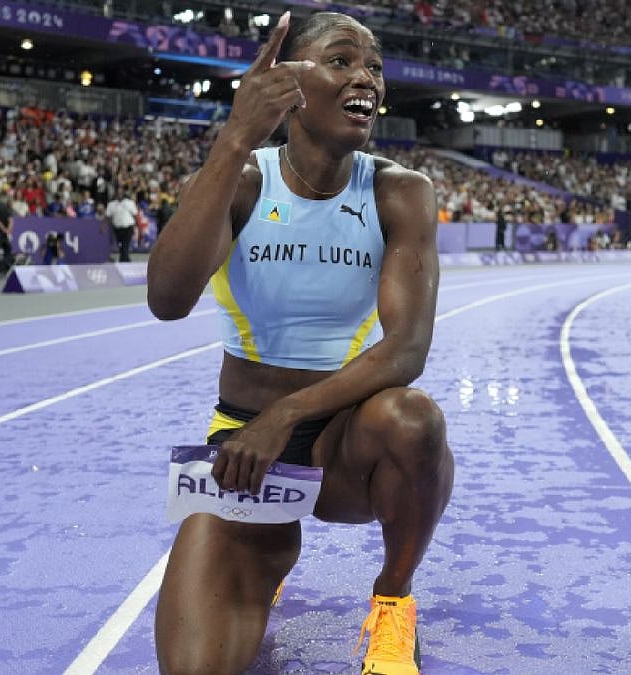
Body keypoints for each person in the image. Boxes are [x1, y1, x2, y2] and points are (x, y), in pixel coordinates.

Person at [147, 11, 454, 675]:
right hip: (244, 451)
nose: (365, 77)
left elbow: (405, 351)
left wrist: (286, 413)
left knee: (414, 418)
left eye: (374, 66)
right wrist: (233, 140)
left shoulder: (401, 192)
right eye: (342, 60)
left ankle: (393, 602)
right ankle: (262, 554)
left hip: (344, 444)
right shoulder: (245, 182)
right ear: (288, 81)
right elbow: (167, 301)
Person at [105, 190, 137, 262]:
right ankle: (126, 259)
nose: (119, 195)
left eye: (120, 193)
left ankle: (123, 260)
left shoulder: (129, 203)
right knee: (120, 245)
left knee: (125, 245)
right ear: (116, 195)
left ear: (123, 194)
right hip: (117, 228)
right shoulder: (111, 204)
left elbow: (135, 215)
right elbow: (107, 216)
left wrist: (136, 226)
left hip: (128, 228)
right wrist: (103, 227)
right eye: (118, 193)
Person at [0, 192, 14, 272]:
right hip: (5, 234)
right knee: (8, 250)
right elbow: (11, 220)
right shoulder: (6, 207)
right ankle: (4, 266)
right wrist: (8, 230)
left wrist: (4, 229)